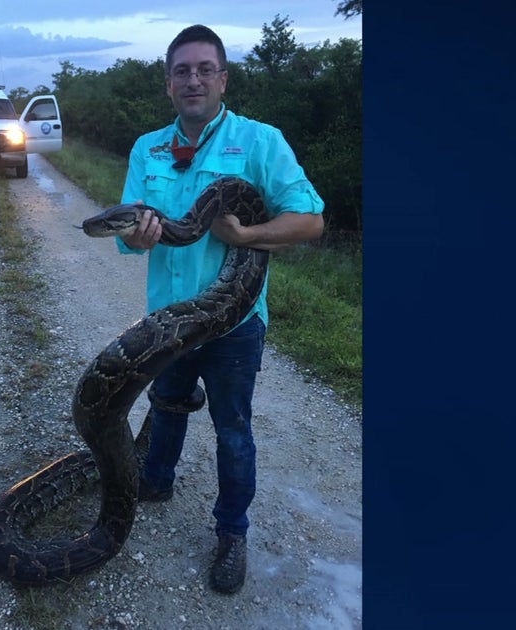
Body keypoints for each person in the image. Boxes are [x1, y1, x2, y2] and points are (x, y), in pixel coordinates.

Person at [117, 24, 325, 594]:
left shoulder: (261, 142)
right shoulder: (148, 149)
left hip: (235, 323)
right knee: (165, 403)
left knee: (232, 429)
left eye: (205, 69)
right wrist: (135, 238)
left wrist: (246, 234)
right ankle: (155, 480)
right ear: (168, 84)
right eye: (182, 70)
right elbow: (129, 229)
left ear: (222, 78)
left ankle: (232, 533)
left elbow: (310, 220)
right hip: (169, 317)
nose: (194, 79)